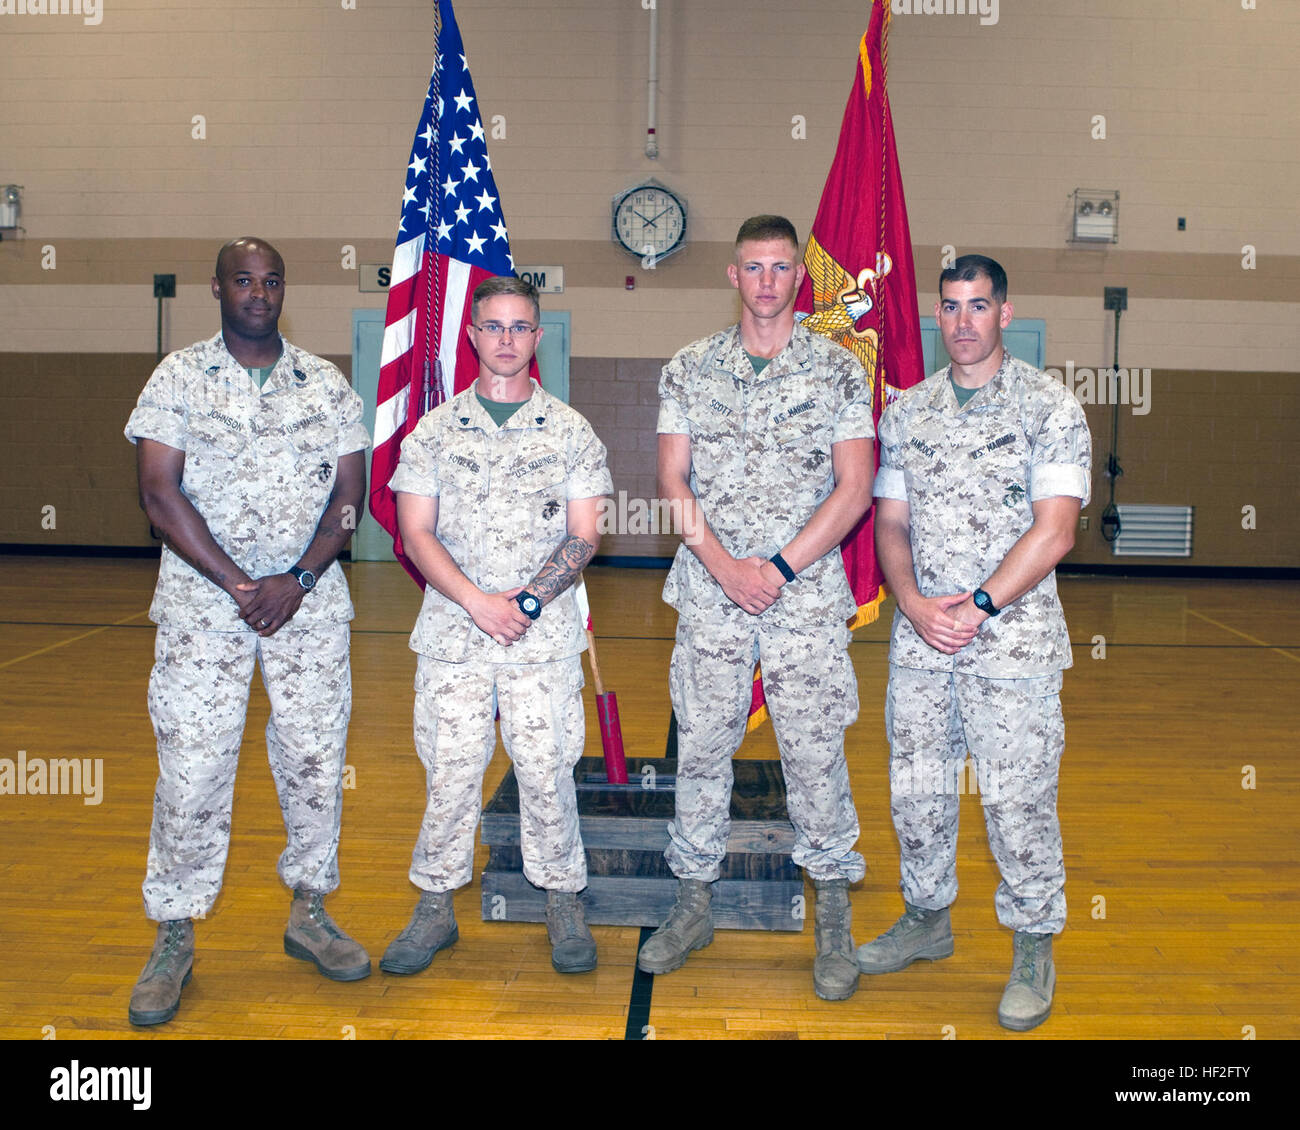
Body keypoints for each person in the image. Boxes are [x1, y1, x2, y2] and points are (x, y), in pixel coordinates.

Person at [124, 237, 371, 1026]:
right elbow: (159, 496)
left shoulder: (324, 384)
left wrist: (296, 580)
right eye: (243, 281)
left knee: (313, 761)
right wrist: (240, 584)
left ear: (283, 291)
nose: (258, 293)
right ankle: (173, 932)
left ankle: (309, 911)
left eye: (270, 282)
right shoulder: (179, 378)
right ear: (218, 288)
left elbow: (347, 501)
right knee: (192, 771)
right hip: (205, 611)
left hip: (308, 610)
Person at [639, 215, 875, 1001]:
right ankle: (693, 899)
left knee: (814, 753)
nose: (768, 280)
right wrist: (726, 567)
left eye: (781, 267)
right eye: (754, 266)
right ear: (732, 276)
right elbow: (673, 483)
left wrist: (774, 567)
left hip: (802, 597)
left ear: (796, 278)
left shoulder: (838, 371)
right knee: (702, 747)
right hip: (711, 593)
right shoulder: (688, 368)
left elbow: (853, 487)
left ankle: (833, 911)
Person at [858, 254, 1091, 1031]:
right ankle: (927, 920)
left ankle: (1033, 944)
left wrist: (979, 606)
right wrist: (914, 602)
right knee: (919, 792)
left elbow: (1055, 530)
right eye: (951, 308)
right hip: (924, 643)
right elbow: (890, 522)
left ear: (1005, 312)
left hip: (1011, 650)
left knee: (1017, 800)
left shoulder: (1048, 407)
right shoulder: (907, 411)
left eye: (978, 306)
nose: (963, 322)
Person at [381, 276, 612, 977]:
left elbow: (584, 536)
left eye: (520, 327)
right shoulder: (433, 430)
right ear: (473, 335)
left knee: (547, 771)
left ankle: (563, 899)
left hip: (540, 642)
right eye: (494, 326)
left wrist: (529, 605)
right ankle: (434, 905)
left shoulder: (571, 430)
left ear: (537, 338)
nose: (507, 339)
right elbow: (416, 532)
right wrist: (477, 602)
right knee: (450, 772)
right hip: (454, 637)